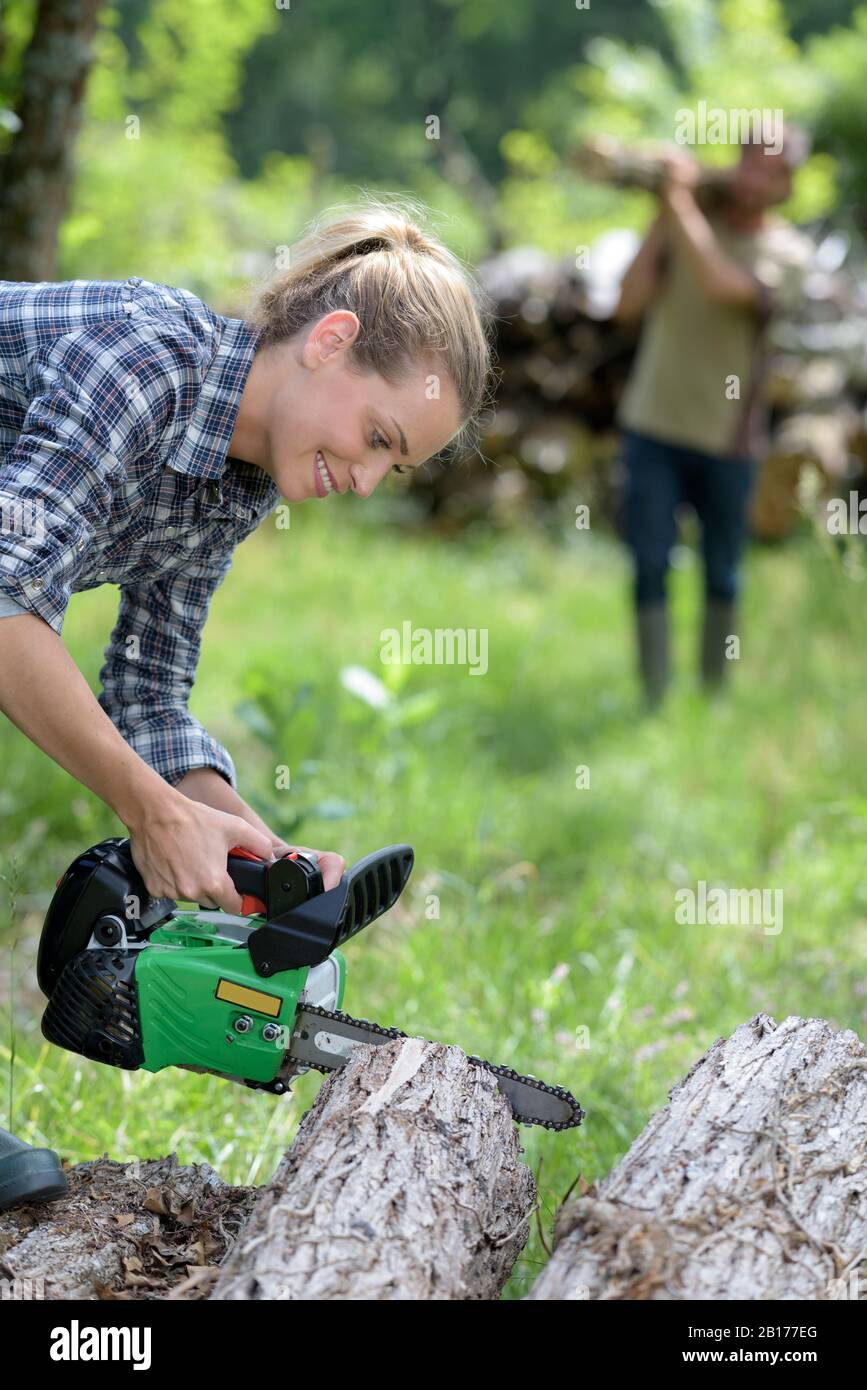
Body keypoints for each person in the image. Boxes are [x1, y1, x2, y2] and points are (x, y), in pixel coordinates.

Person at [0, 201, 492, 1208]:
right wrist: (151, 811)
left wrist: (255, 852)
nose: (362, 480)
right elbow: (6, 602)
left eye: (390, 469)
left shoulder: (235, 484)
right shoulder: (140, 365)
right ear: (331, 339)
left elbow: (147, 693)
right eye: (376, 438)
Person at [614, 126, 813, 704]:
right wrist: (664, 212)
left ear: (786, 185)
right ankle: (654, 694)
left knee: (721, 572)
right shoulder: (686, 224)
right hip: (652, 423)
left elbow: (722, 284)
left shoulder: (788, 255)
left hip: (728, 439)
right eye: (747, 160)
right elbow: (625, 303)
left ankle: (713, 692)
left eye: (768, 169)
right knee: (650, 562)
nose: (751, 175)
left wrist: (677, 202)